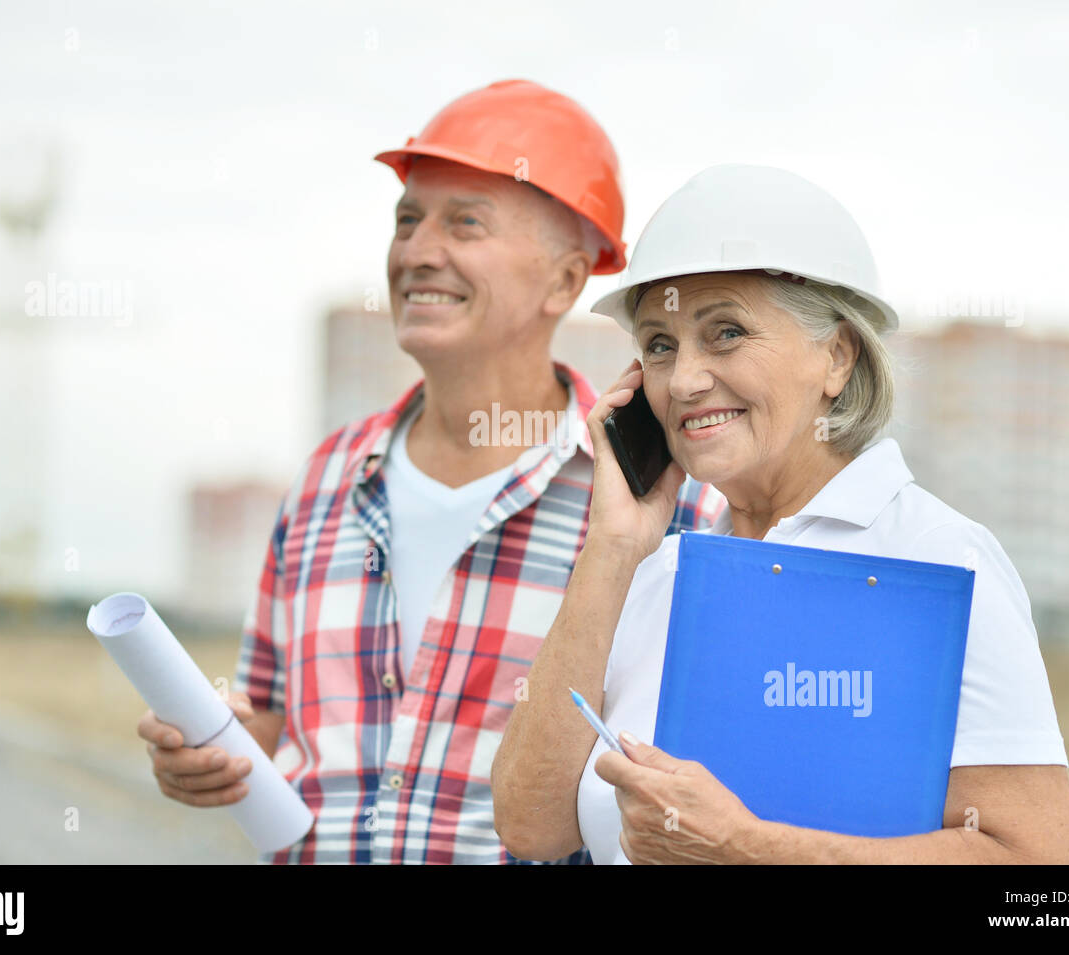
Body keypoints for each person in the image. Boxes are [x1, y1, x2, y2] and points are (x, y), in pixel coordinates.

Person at [136, 80, 725, 864]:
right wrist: (211, 746)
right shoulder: (324, 480)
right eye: (407, 221)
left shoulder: (662, 507)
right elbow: (272, 722)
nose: (416, 251)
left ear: (565, 278)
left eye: (464, 223)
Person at [492, 164, 1069, 864]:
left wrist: (746, 847)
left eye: (727, 333)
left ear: (835, 356)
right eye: (658, 344)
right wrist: (613, 547)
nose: (683, 380)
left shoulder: (938, 558)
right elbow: (532, 827)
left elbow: (1042, 879)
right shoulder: (648, 575)